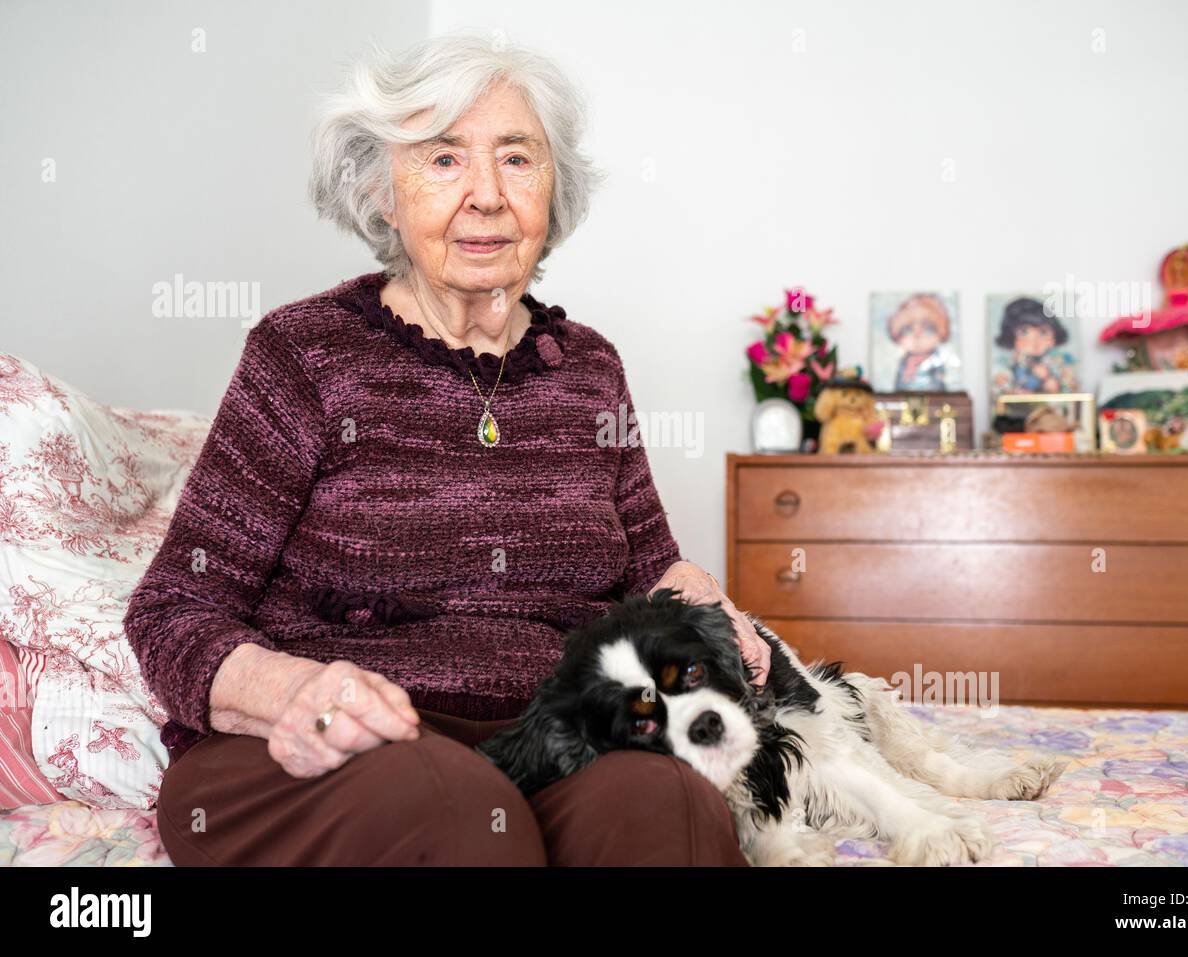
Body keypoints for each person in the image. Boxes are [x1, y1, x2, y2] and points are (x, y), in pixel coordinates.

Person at [124, 34, 770, 867]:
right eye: (443, 160)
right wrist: (292, 691)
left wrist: (689, 594)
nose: (486, 197)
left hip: (548, 742)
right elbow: (173, 607)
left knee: (668, 807)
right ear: (382, 191)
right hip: (324, 754)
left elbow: (646, 572)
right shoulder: (304, 353)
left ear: (554, 190)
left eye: (516, 158)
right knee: (454, 810)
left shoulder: (589, 370)